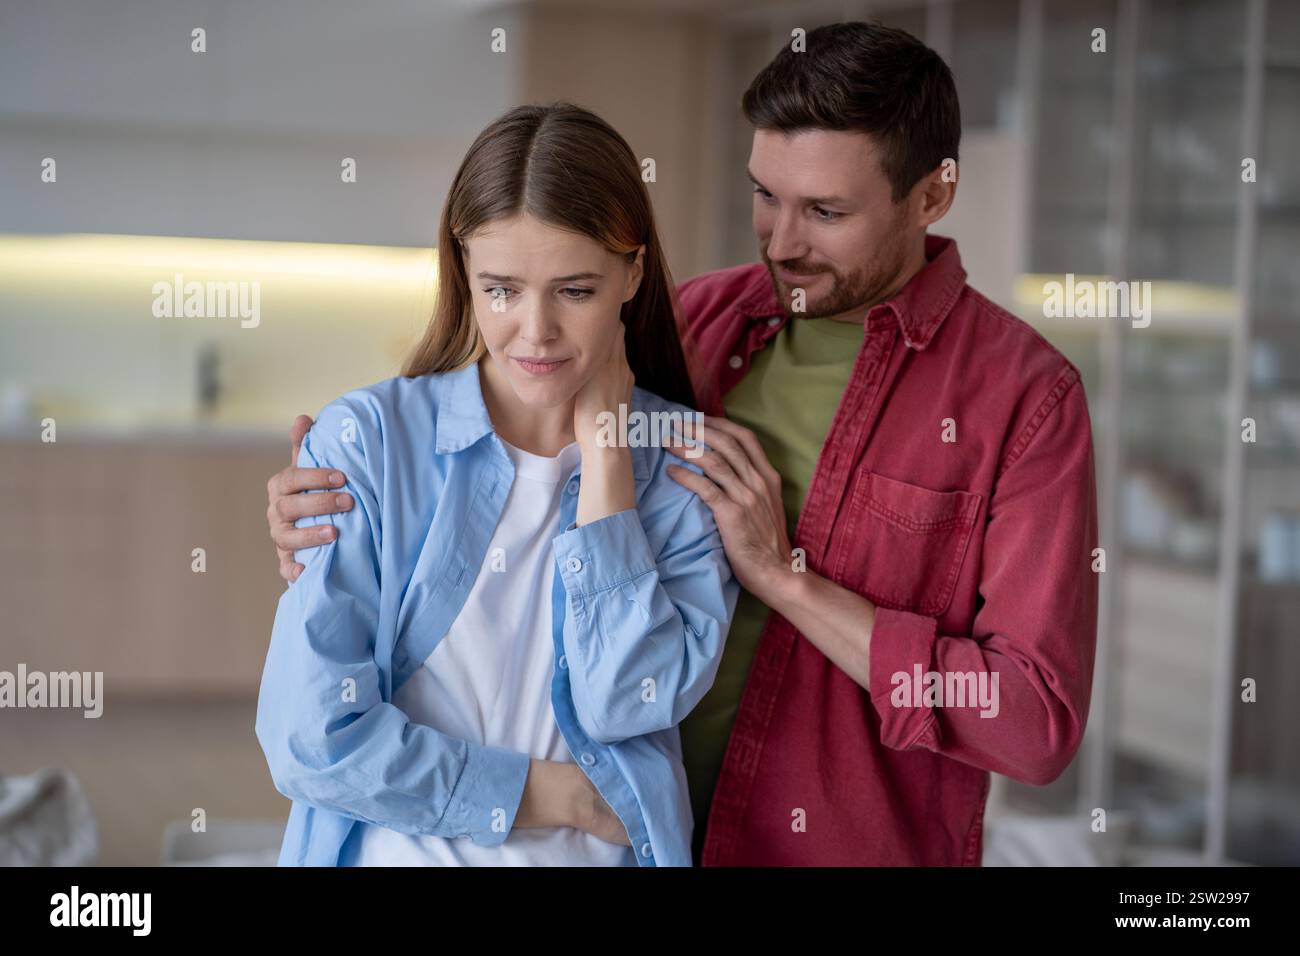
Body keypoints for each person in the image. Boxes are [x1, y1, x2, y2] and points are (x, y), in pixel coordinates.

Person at [267, 22, 1099, 866]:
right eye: (766, 196)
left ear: (931, 197)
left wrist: (786, 582)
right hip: (648, 841)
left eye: (826, 212)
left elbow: (1031, 723)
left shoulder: (1022, 401)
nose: (779, 242)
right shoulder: (697, 325)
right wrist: (331, 502)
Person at [254, 103, 738, 867]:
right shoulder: (370, 442)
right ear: (464, 273)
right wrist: (553, 795)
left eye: (575, 291)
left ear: (633, 274)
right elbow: (311, 738)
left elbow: (627, 700)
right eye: (502, 289)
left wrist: (609, 465)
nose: (536, 331)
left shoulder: (682, 464)